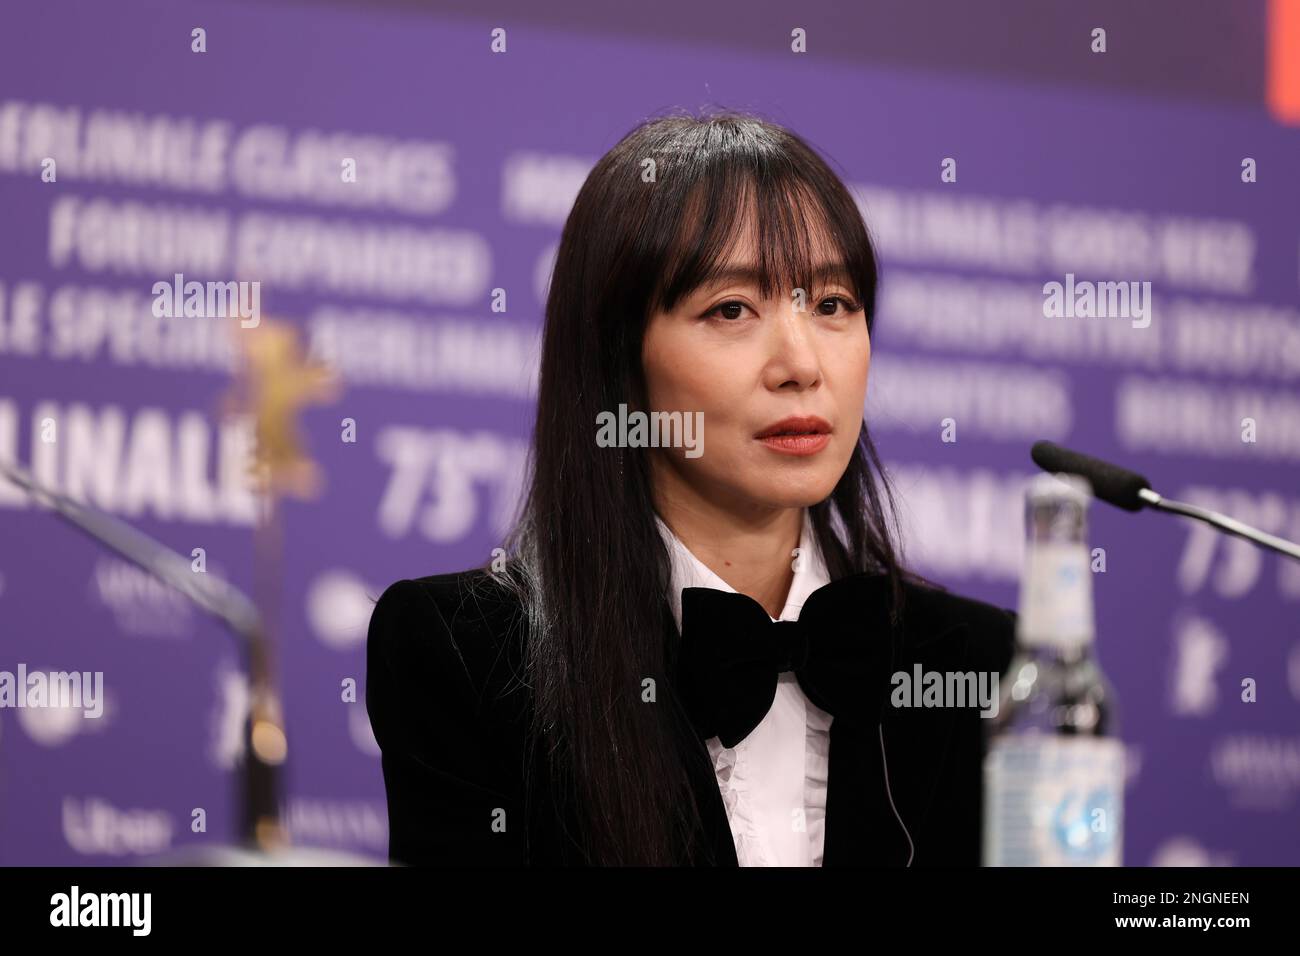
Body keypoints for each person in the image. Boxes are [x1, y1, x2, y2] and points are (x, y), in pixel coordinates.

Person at [366, 109, 1016, 867]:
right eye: (732, 309)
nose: (801, 363)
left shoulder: (978, 661)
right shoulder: (466, 653)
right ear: (620, 362)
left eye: (833, 304)